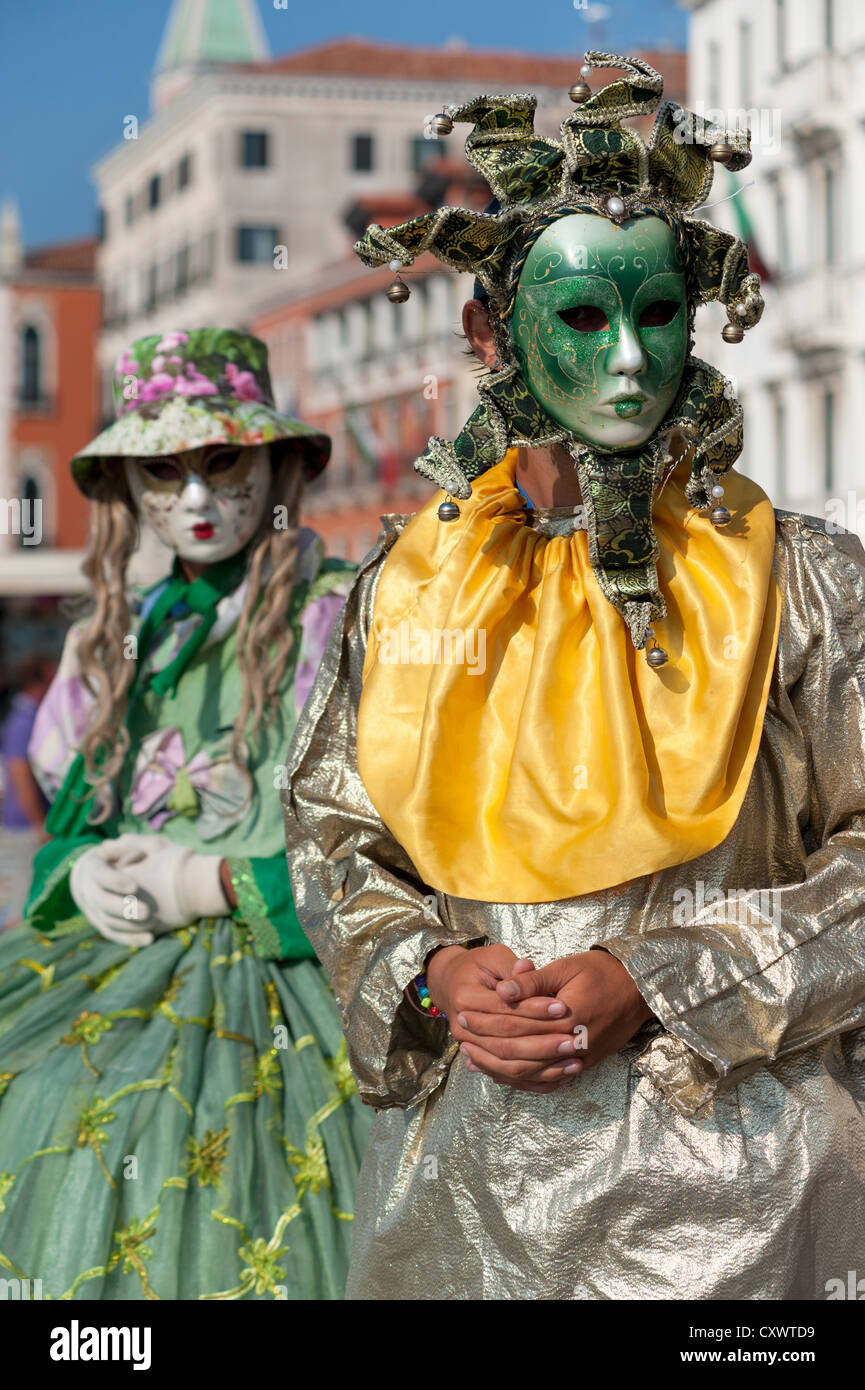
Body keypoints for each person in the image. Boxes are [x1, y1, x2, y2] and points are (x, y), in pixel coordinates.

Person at [282, 54, 865, 1300]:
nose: (630, 362)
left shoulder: (804, 583)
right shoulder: (404, 586)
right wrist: (433, 973)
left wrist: (665, 979)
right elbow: (333, 835)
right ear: (488, 330)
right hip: (460, 1209)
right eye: (582, 317)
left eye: (658, 313)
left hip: (741, 1218)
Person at [0, 328, 369, 1300]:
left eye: (222, 463)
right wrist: (79, 872)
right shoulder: (109, 644)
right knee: (37, 1098)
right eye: (164, 470)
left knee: (207, 1159)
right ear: (129, 486)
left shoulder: (348, 623)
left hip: (300, 974)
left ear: (277, 463)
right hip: (110, 966)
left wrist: (211, 880)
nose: (196, 500)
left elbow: (399, 853)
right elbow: (61, 836)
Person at [0, 655, 54, 928]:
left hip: (26, 823)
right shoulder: (25, 719)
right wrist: (38, 822)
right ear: (41, 677)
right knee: (22, 910)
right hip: (27, 826)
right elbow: (19, 772)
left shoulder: (28, 714)